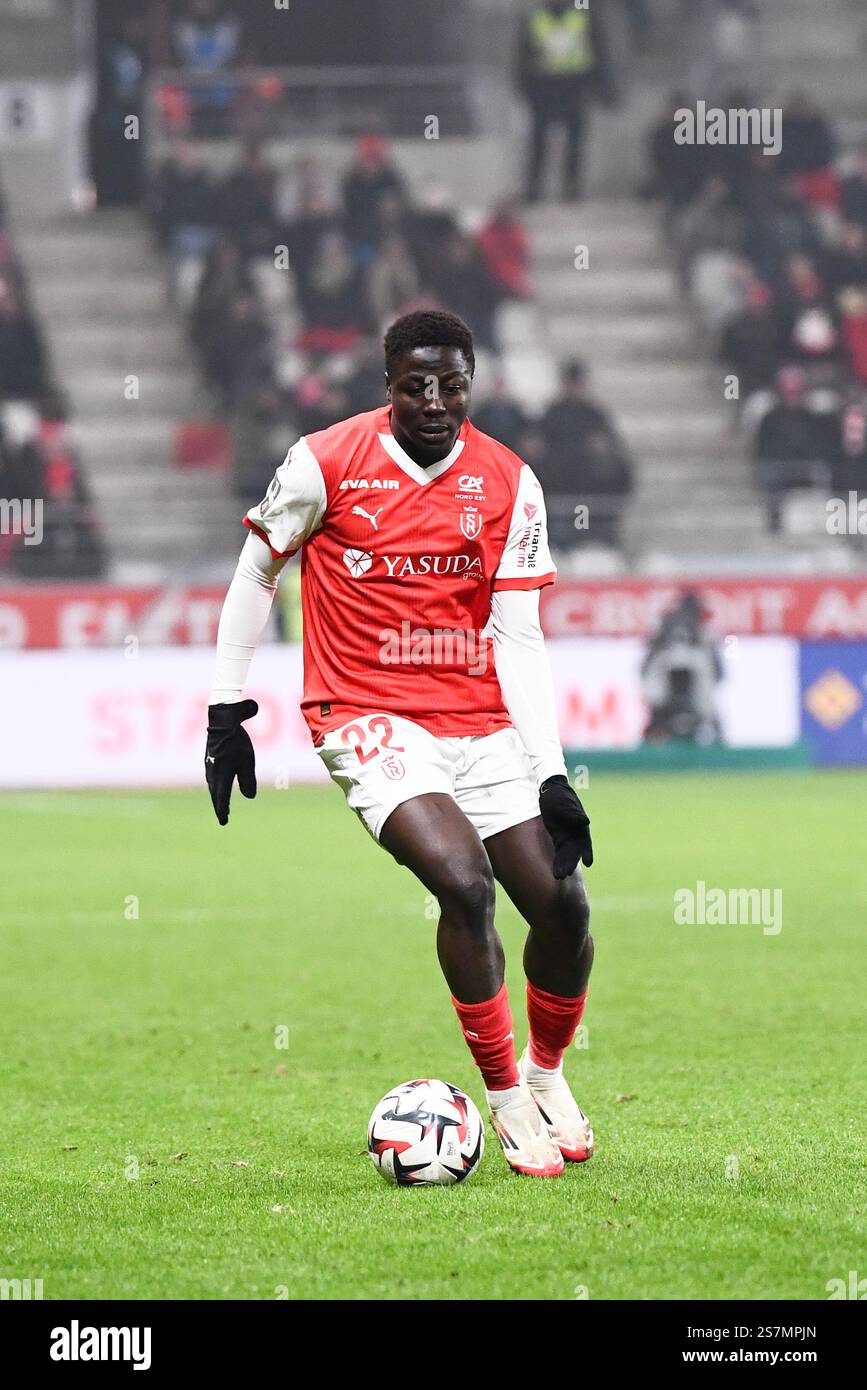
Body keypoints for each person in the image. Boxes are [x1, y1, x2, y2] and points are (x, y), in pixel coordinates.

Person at [205, 309, 596, 1178]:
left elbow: (520, 638)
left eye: (449, 384)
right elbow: (257, 568)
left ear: (470, 385)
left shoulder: (507, 482)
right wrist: (225, 706)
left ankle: (546, 1072)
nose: (432, 400)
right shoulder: (325, 461)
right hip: (364, 713)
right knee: (463, 882)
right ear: (387, 384)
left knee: (564, 909)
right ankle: (503, 1099)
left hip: (480, 716)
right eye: (414, 384)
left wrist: (552, 775)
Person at [514, 0, 617, 202]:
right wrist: (523, 86)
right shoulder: (534, 19)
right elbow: (523, 55)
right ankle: (534, 187)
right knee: (539, 141)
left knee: (575, 141)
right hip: (543, 88)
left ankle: (571, 187)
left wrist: (603, 86)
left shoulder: (583, 17)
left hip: (574, 87)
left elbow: (598, 52)